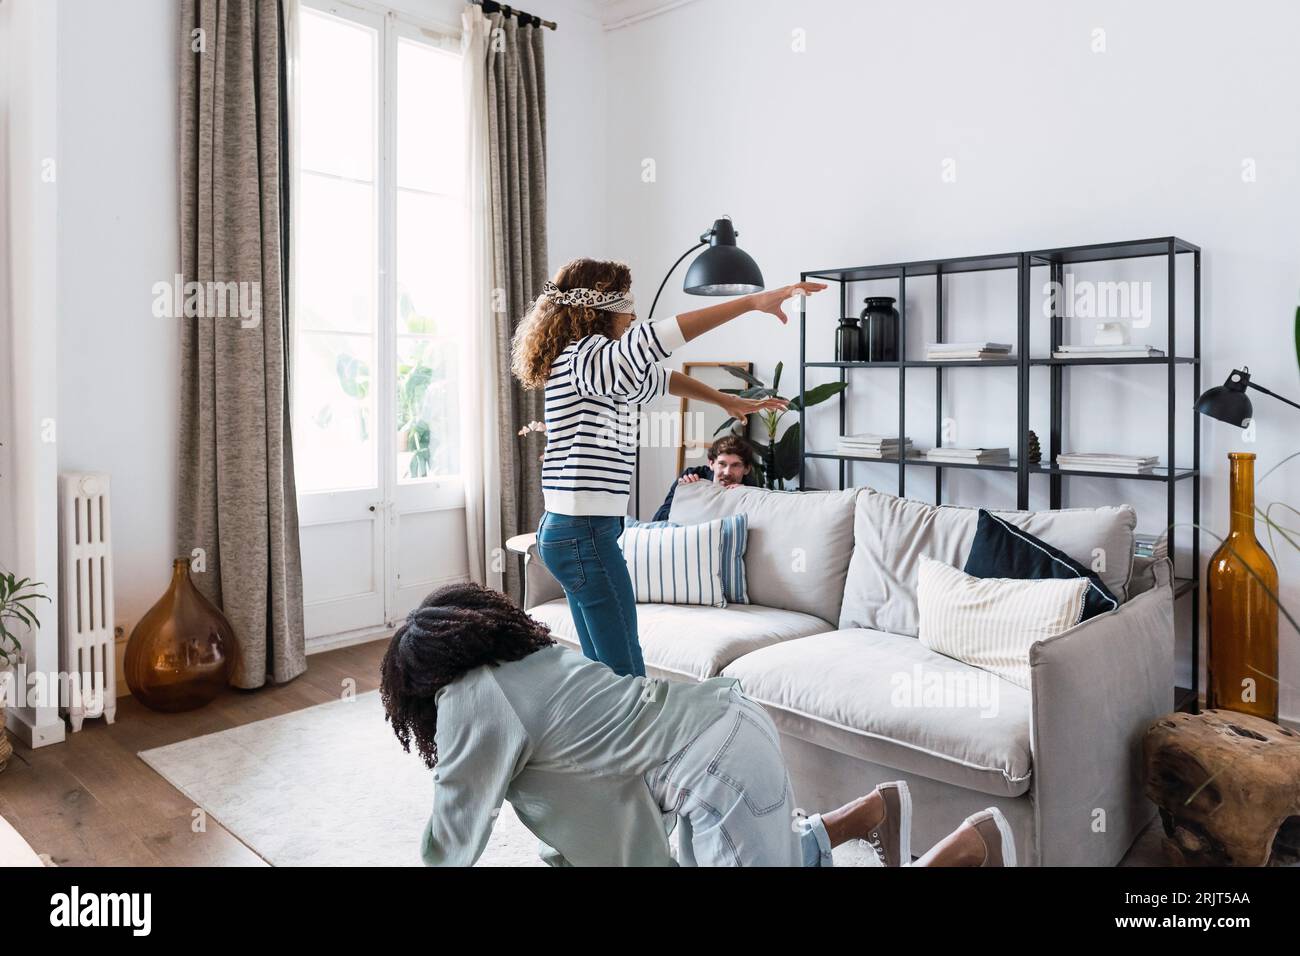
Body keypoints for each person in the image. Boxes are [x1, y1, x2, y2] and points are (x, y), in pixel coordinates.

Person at [381, 581, 1018, 868]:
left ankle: (961, 850)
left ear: (428, 686)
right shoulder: (544, 665)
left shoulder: (472, 698)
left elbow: (454, 832)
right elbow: (605, 810)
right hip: (729, 733)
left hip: (714, 776)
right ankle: (862, 817)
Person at [510, 258, 824, 676]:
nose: (634, 314)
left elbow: (661, 377)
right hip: (585, 533)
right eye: (627, 303)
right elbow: (661, 338)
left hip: (569, 531)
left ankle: (603, 738)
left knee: (603, 673)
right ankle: (635, 739)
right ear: (599, 306)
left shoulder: (591, 365)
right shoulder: (590, 356)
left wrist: (726, 401)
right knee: (626, 675)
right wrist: (750, 302)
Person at [651, 434, 760, 523]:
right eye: (722, 464)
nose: (727, 472)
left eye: (735, 465)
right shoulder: (692, 476)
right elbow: (658, 519)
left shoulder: (751, 490)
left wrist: (743, 494)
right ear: (711, 463)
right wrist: (684, 498)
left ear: (746, 469)